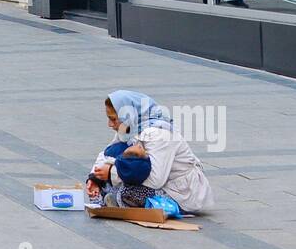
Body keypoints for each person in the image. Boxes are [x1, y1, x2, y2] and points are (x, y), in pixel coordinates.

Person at [85, 90, 214, 213]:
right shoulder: (130, 126)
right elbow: (108, 153)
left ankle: (125, 202)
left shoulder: (159, 133)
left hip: (180, 191)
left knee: (127, 191)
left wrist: (112, 173)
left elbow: (155, 180)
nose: (110, 124)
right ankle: (115, 199)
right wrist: (95, 178)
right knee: (109, 183)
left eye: (113, 119)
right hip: (158, 182)